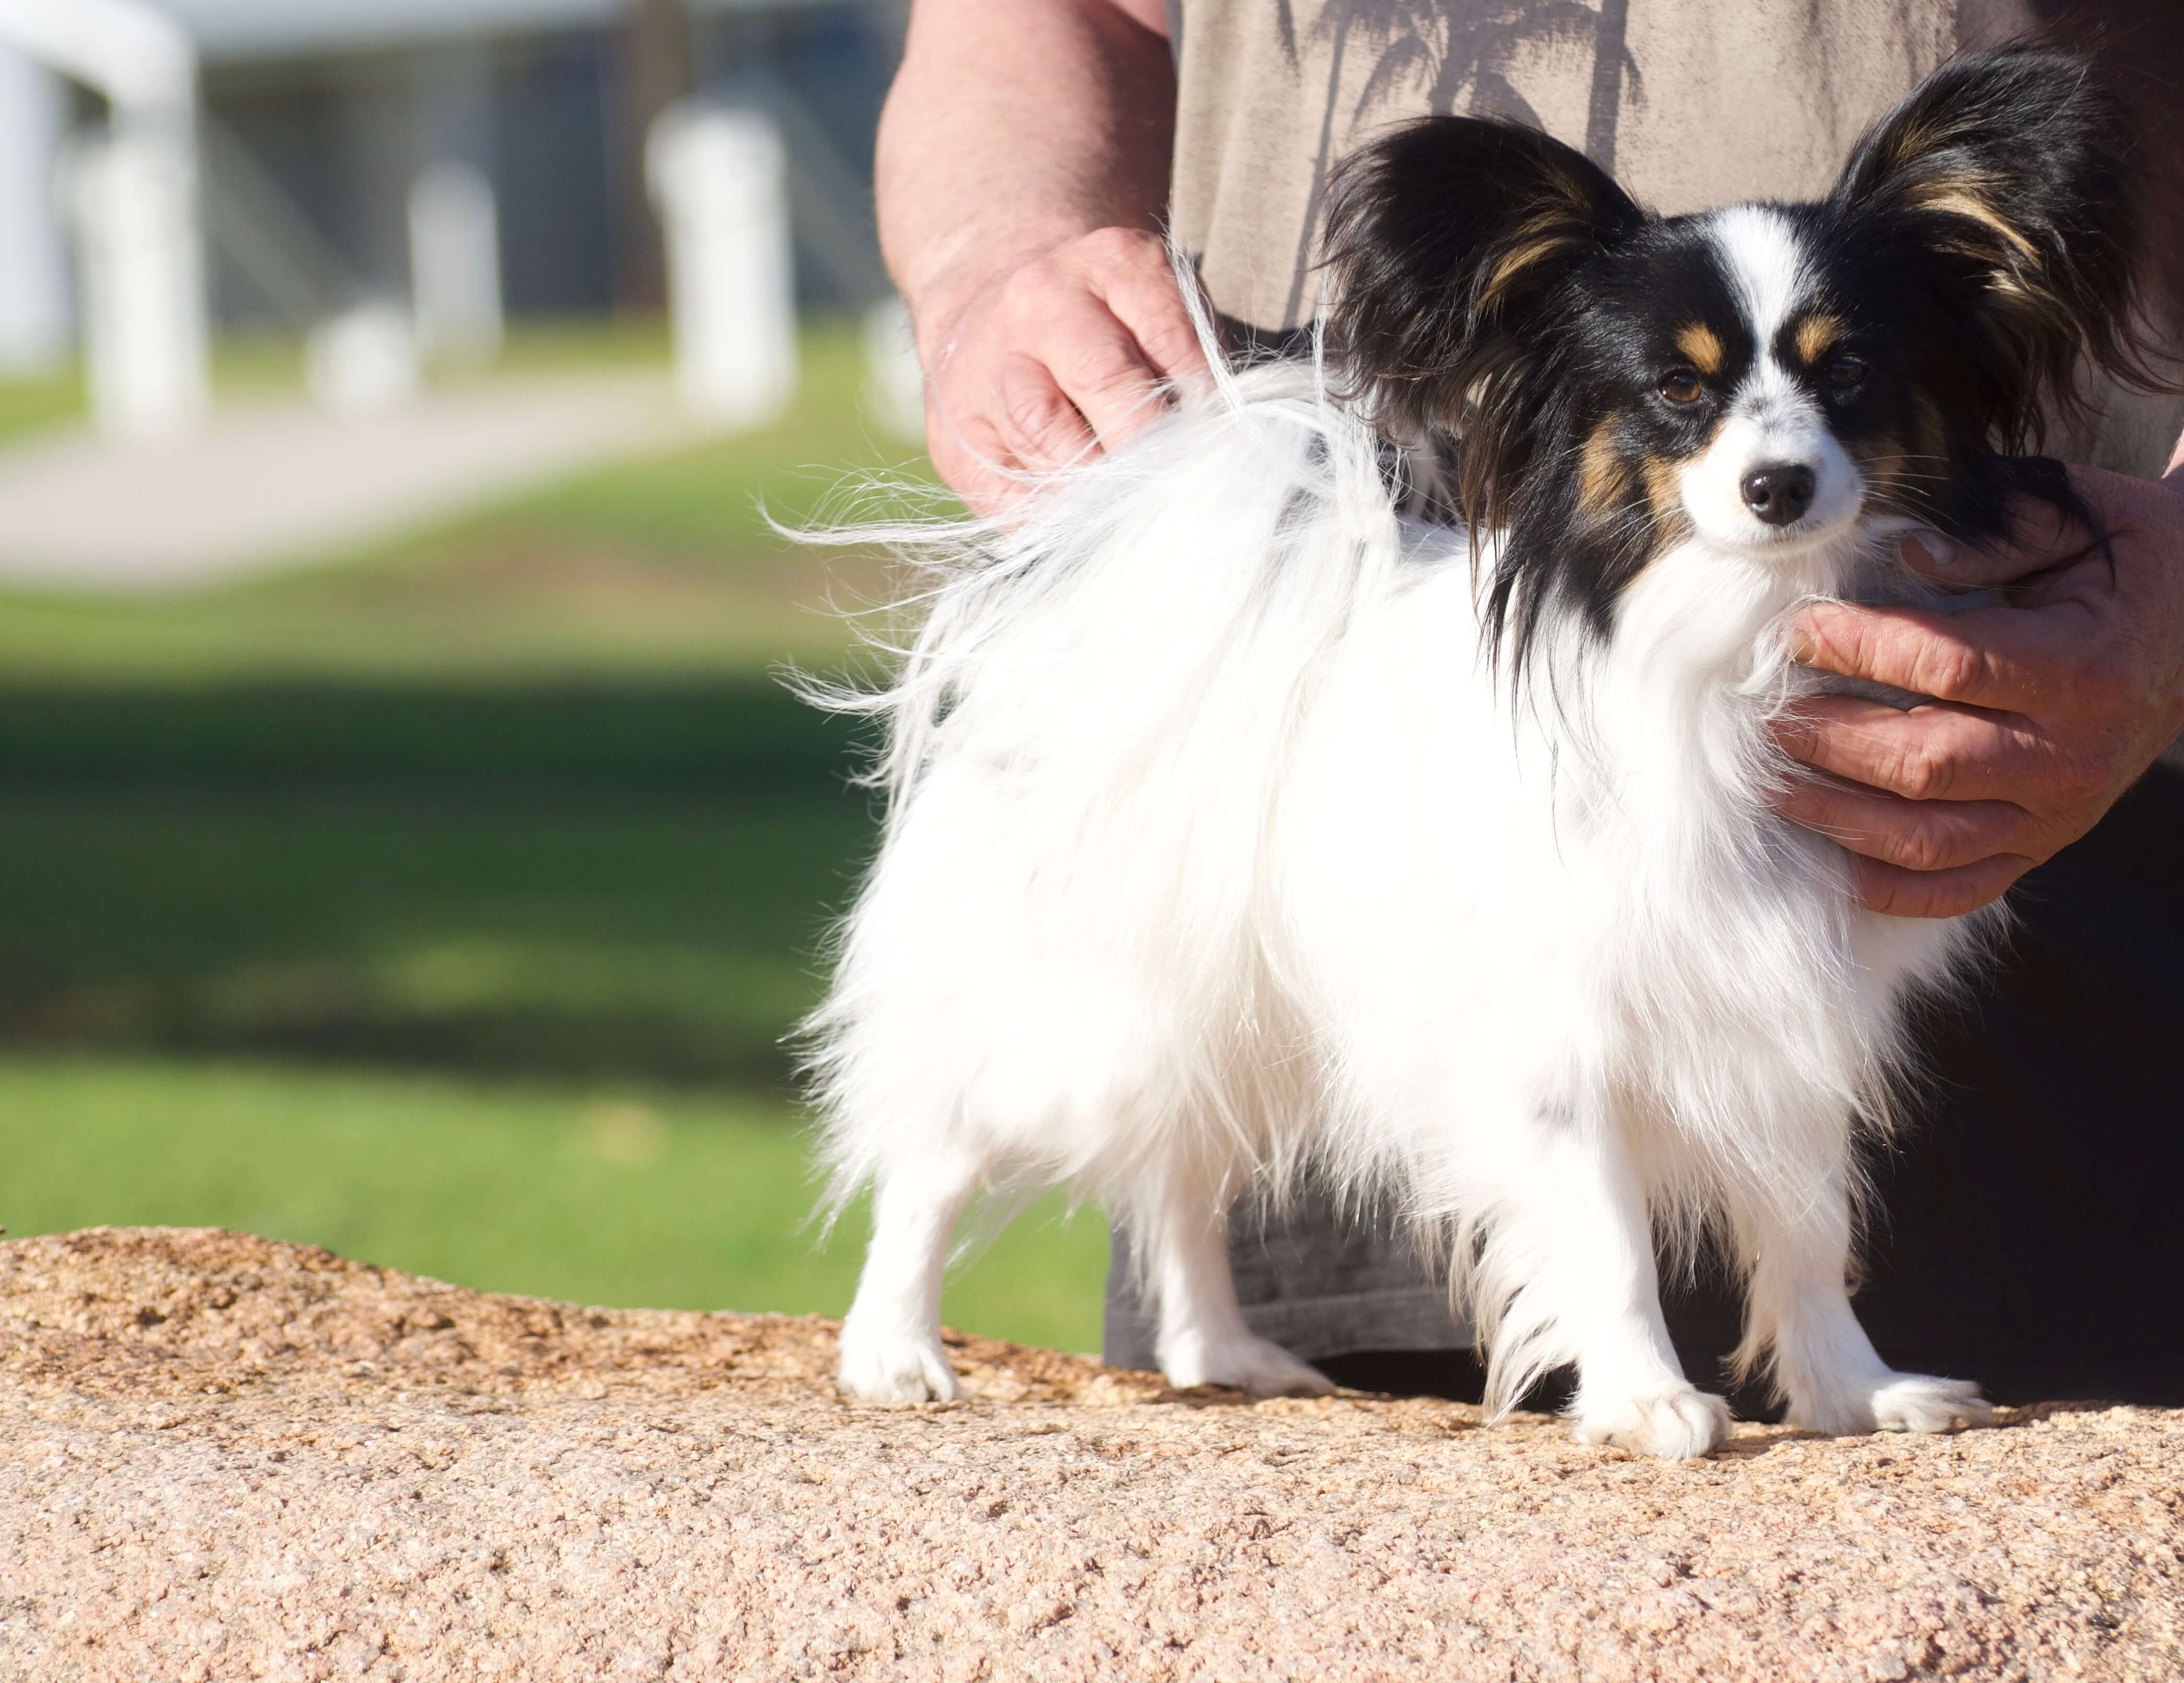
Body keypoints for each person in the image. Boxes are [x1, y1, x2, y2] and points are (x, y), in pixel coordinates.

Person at [872, 0, 2184, 1408]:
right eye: (1687, 398)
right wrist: (993, 257)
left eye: (1836, 377)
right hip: (1307, 718)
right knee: (1127, 1063)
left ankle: (1814, 1342)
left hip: (2073, 914)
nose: (1771, 444)